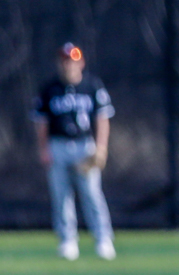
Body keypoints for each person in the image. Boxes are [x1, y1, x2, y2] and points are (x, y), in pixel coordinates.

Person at [33, 43, 116, 261]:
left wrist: (101, 147)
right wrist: (43, 149)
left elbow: (103, 118)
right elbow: (41, 123)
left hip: (84, 146)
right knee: (61, 196)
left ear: (81, 62)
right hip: (58, 145)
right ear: (59, 63)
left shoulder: (92, 86)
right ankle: (67, 240)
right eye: (65, 60)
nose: (69, 64)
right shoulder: (50, 89)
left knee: (91, 193)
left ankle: (103, 238)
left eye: (73, 60)